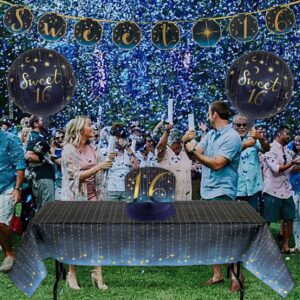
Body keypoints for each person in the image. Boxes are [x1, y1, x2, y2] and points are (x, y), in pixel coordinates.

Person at [183, 101, 242, 292]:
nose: (208, 115)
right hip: (207, 191)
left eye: (209, 112)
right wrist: (186, 143)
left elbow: (217, 164)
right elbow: (195, 154)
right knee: (211, 235)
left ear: (214, 114)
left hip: (223, 191)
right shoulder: (210, 134)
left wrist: (192, 151)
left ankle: (236, 275)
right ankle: (217, 275)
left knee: (226, 235)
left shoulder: (232, 137)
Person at [62, 116, 113, 290]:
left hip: (94, 197)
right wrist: (99, 167)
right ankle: (72, 274)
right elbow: (74, 175)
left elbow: (100, 170)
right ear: (79, 129)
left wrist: (107, 162)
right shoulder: (69, 149)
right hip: (76, 199)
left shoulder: (93, 148)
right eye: (89, 125)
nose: (92, 127)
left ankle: (97, 273)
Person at [262, 125, 300, 254]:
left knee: (289, 218)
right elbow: (277, 169)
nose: (289, 136)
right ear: (278, 134)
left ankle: (285, 245)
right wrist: (294, 162)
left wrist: (297, 165)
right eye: (286, 134)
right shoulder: (269, 149)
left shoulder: (287, 151)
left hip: (286, 190)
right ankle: (263, 245)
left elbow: (289, 170)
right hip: (272, 190)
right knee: (268, 220)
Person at [0, 129, 26, 271]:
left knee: (2, 222)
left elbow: (20, 165)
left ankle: (9, 254)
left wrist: (17, 188)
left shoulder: (10, 139)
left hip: (7, 186)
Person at [233, 114, 270, 212]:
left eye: (244, 125)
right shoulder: (229, 140)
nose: (242, 127)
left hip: (252, 188)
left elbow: (266, 149)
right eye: (238, 125)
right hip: (235, 189)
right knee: (236, 221)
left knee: (253, 220)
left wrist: (260, 138)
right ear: (233, 126)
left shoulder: (254, 139)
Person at [101, 123, 138, 201]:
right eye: (116, 137)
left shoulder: (130, 150)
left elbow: (136, 168)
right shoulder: (105, 151)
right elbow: (102, 170)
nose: (118, 140)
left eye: (120, 137)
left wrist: (127, 147)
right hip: (111, 190)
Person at [25, 115, 55, 209]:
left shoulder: (41, 136)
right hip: (41, 176)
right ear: (35, 123)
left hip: (45, 175)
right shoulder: (34, 137)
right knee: (46, 208)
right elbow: (28, 156)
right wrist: (46, 159)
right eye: (42, 120)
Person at [156, 125, 192, 200]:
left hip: (185, 198)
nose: (180, 145)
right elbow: (160, 147)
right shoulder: (164, 154)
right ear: (170, 143)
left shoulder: (185, 153)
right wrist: (167, 132)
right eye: (177, 143)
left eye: (181, 143)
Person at [288, 134, 300, 252]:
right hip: (293, 189)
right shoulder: (290, 152)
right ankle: (297, 245)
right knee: (296, 217)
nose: (297, 143)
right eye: (296, 140)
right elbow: (289, 169)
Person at [50, 129, 65, 200]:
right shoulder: (53, 150)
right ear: (54, 139)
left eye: (62, 137)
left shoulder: (69, 147)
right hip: (58, 182)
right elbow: (61, 163)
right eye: (57, 138)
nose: (60, 139)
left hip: (71, 182)